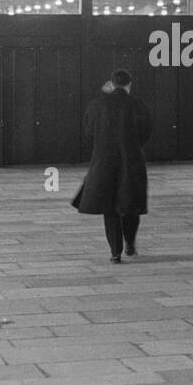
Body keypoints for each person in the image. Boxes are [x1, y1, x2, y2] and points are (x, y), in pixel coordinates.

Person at [71, 69, 153, 264]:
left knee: (110, 208)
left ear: (112, 83)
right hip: (131, 161)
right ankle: (130, 243)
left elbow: (89, 132)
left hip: (104, 161)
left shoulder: (97, 104)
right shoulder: (137, 105)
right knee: (130, 204)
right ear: (129, 85)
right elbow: (146, 132)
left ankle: (115, 252)